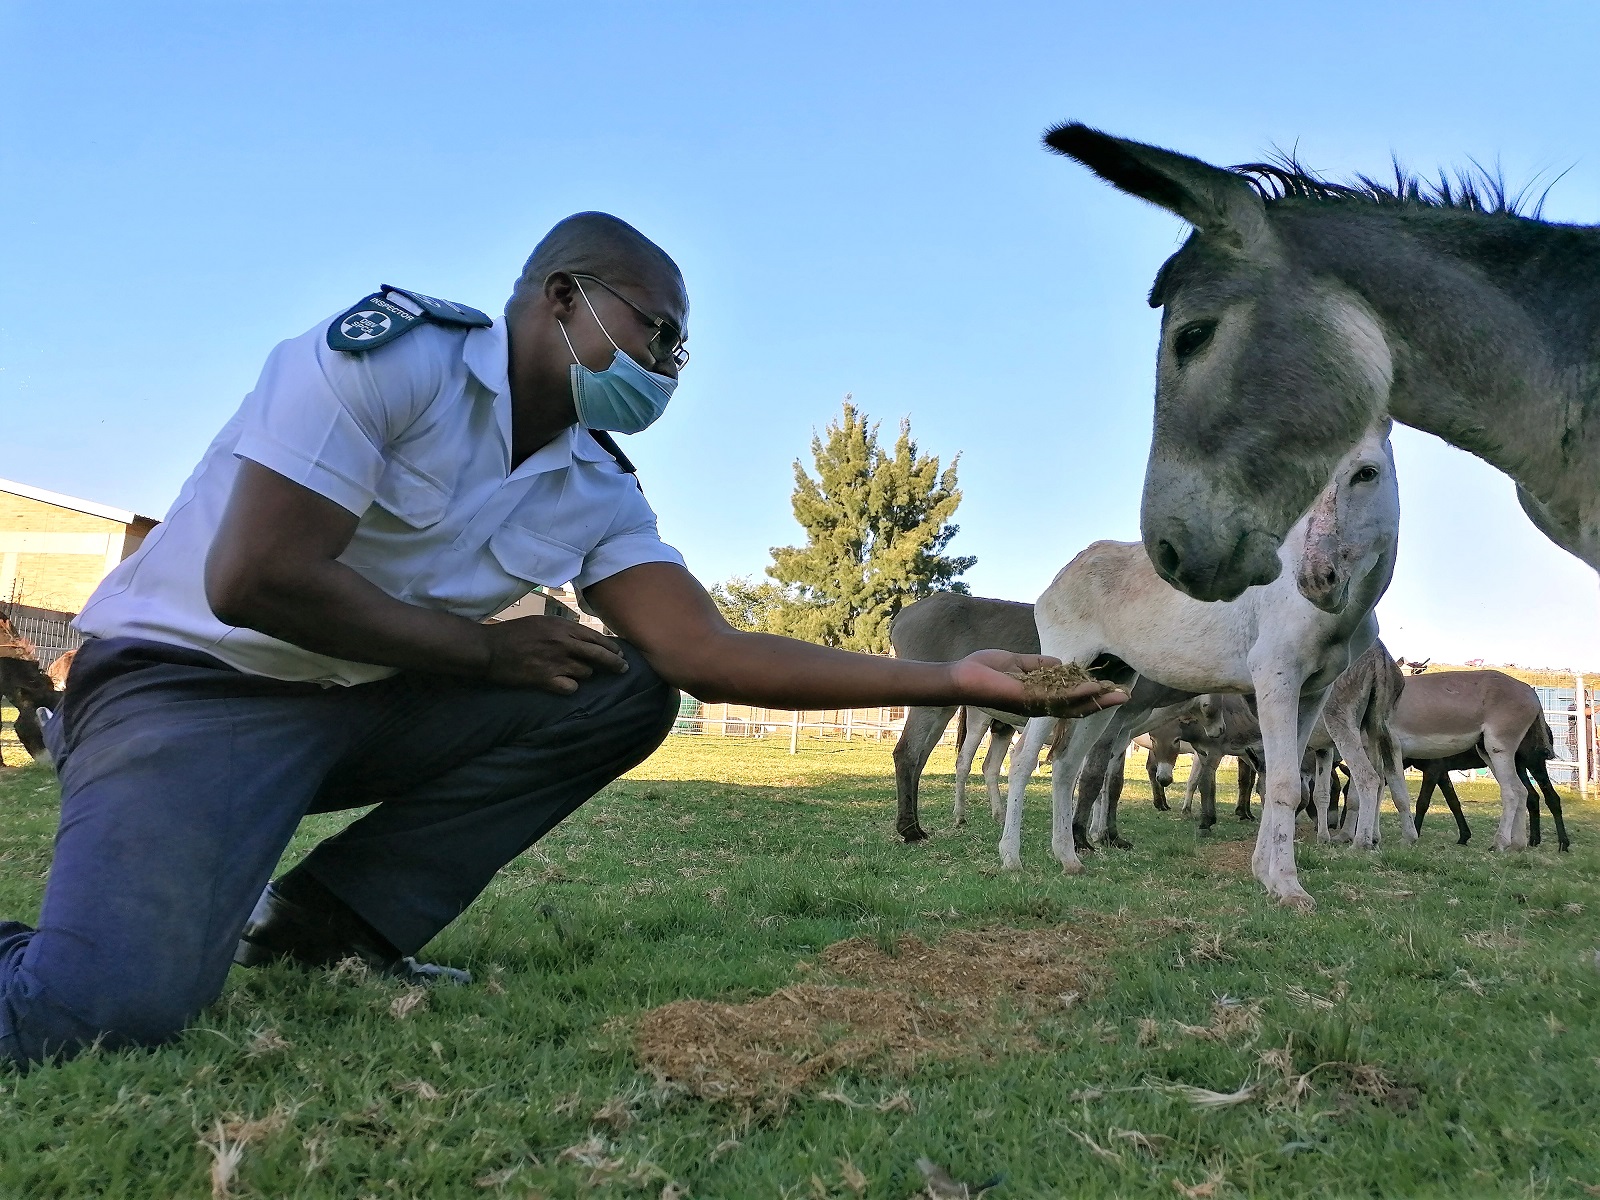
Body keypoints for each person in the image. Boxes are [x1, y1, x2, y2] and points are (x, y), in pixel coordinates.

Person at [0, 213, 1121, 1069]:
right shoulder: (391, 361)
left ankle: (326, 926)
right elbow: (253, 579)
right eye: (657, 330)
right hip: (189, 689)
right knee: (103, 1013)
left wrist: (952, 675)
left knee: (620, 682)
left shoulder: (593, 481)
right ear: (561, 297)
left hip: (357, 701)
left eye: (684, 352)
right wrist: (486, 652)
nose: (670, 367)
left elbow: (705, 654)